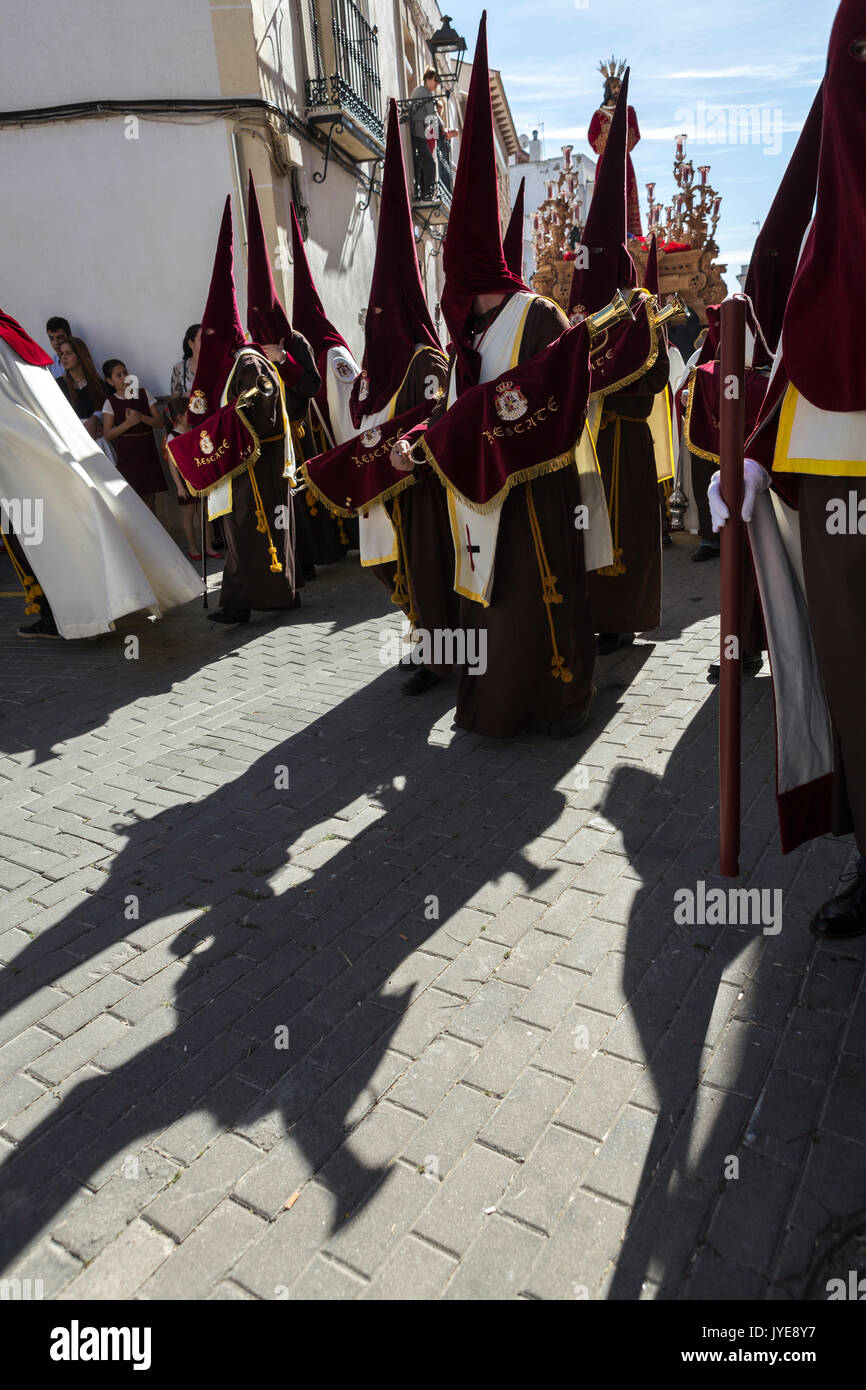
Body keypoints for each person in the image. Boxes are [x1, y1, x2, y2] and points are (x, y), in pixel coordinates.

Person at [388, 13, 612, 739]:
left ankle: (559, 702)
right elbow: (461, 409)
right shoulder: (471, 334)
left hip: (537, 497)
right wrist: (424, 441)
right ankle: (496, 706)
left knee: (535, 599)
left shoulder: (534, 314)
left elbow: (547, 399)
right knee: (493, 602)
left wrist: (450, 435)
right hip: (480, 502)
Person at [709, 0, 865, 938]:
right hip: (833, 483)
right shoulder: (832, 227)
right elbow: (814, 330)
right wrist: (761, 450)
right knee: (848, 679)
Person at [303, 101, 452, 695]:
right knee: (406, 574)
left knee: (432, 572)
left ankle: (439, 652)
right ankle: (421, 637)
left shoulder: (426, 363)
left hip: (423, 498)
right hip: (385, 499)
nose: (374, 326)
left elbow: (436, 421)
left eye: (383, 317)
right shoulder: (373, 372)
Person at [0, 306, 202, 639]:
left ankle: (77, 612)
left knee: (47, 534)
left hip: (26, 461)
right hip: (52, 452)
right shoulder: (15, 338)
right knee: (85, 513)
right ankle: (111, 599)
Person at [168, 196, 308, 626]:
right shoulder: (225, 366)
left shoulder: (247, 362)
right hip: (239, 467)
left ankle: (263, 599)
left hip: (258, 465)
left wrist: (217, 428)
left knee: (254, 532)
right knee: (238, 533)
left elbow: (260, 410)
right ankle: (240, 602)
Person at [571, 69, 670, 655]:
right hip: (589, 439)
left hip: (625, 439)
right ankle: (592, 610)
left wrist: (615, 379)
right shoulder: (583, 308)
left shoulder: (640, 306)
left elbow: (656, 374)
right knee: (588, 526)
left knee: (627, 527)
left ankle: (623, 616)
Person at [101, 359, 168, 512]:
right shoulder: (110, 402)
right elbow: (108, 435)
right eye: (119, 375)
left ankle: (155, 534)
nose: (125, 377)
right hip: (128, 457)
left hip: (147, 453)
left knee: (151, 500)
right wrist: (128, 424)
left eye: (125, 373)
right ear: (110, 381)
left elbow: (160, 423)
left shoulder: (143, 394)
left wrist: (141, 417)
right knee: (136, 502)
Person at [163, 395, 222, 560]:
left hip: (199, 478)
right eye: (189, 412)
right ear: (181, 416)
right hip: (185, 482)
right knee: (189, 515)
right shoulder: (172, 437)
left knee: (204, 514)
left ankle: (208, 546)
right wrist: (180, 487)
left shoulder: (194, 431)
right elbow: (172, 466)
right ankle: (193, 548)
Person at [589, 58, 642, 238]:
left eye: (619, 86)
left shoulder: (629, 111)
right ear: (607, 90)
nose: (617, 90)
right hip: (605, 162)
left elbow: (635, 134)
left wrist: (621, 141)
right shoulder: (598, 115)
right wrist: (609, 140)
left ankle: (628, 233)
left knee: (626, 192)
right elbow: (592, 138)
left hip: (623, 160)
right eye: (614, 87)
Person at [404, 67, 457, 201]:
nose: (437, 84)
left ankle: (425, 192)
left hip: (419, 132)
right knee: (430, 164)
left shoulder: (419, 90)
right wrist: (444, 129)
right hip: (420, 133)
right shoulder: (426, 93)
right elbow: (432, 114)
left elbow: (432, 114)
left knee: (424, 162)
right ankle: (428, 193)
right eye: (436, 80)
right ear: (428, 79)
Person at [57, 336, 107, 440]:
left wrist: (96, 419)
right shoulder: (57, 385)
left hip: (98, 442)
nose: (64, 357)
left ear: (80, 355)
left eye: (68, 353)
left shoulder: (98, 384)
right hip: (72, 441)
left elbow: (108, 410)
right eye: (62, 354)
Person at [170, 323, 201, 397]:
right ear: (191, 343)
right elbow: (175, 401)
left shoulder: (216, 366)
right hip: (186, 408)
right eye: (201, 339)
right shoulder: (179, 368)